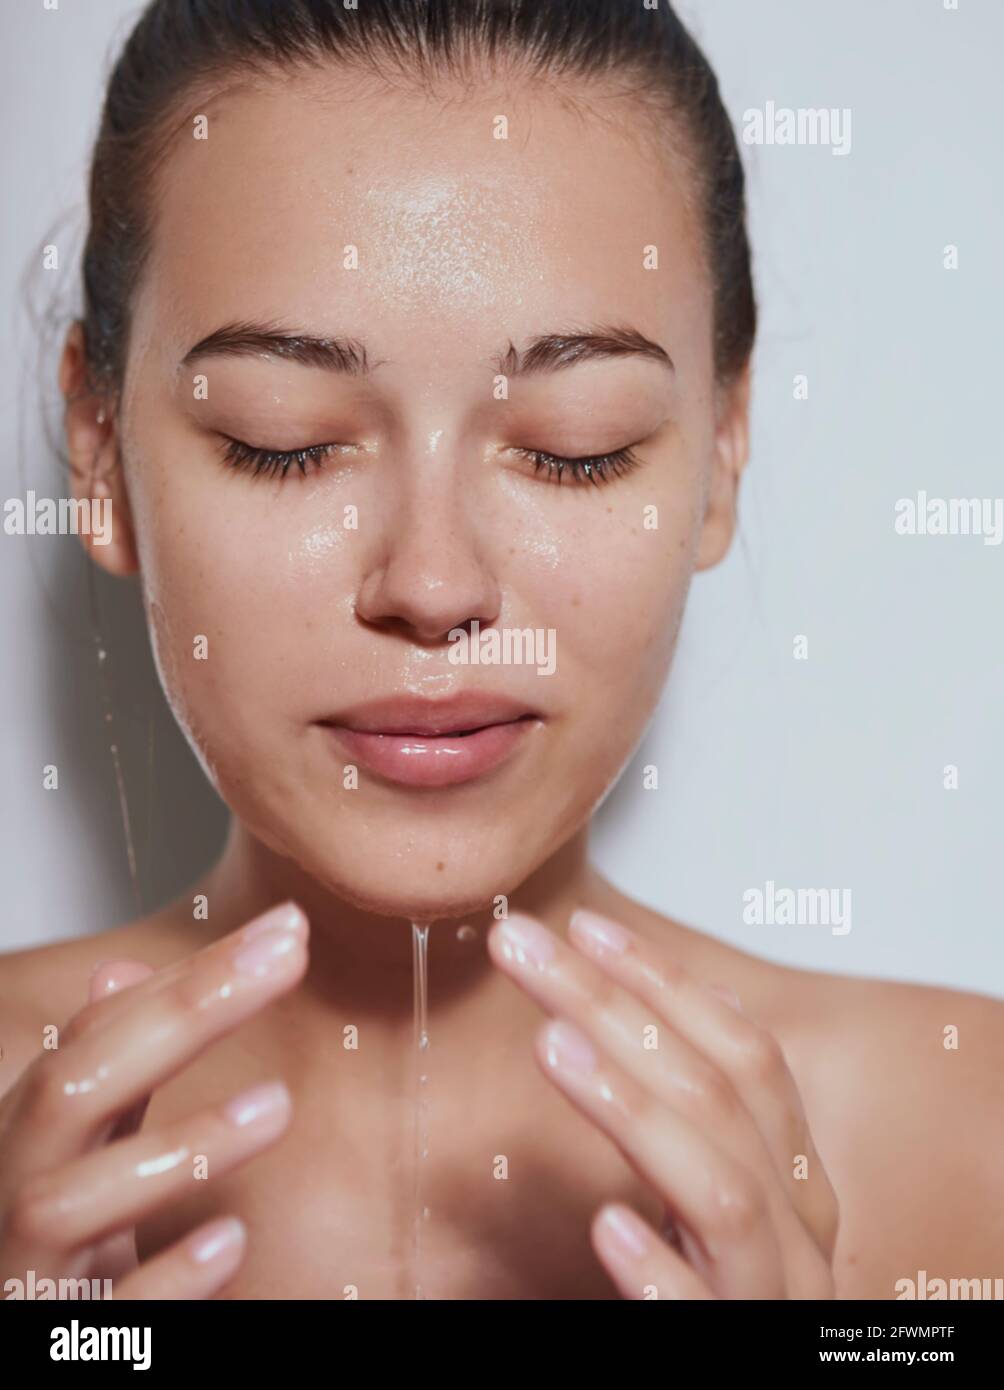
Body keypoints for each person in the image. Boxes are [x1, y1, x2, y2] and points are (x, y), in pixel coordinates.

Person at [2, 0, 1001, 1301]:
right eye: (282, 437)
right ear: (100, 454)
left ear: (723, 451)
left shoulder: (960, 1136)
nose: (433, 586)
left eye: (574, 446)